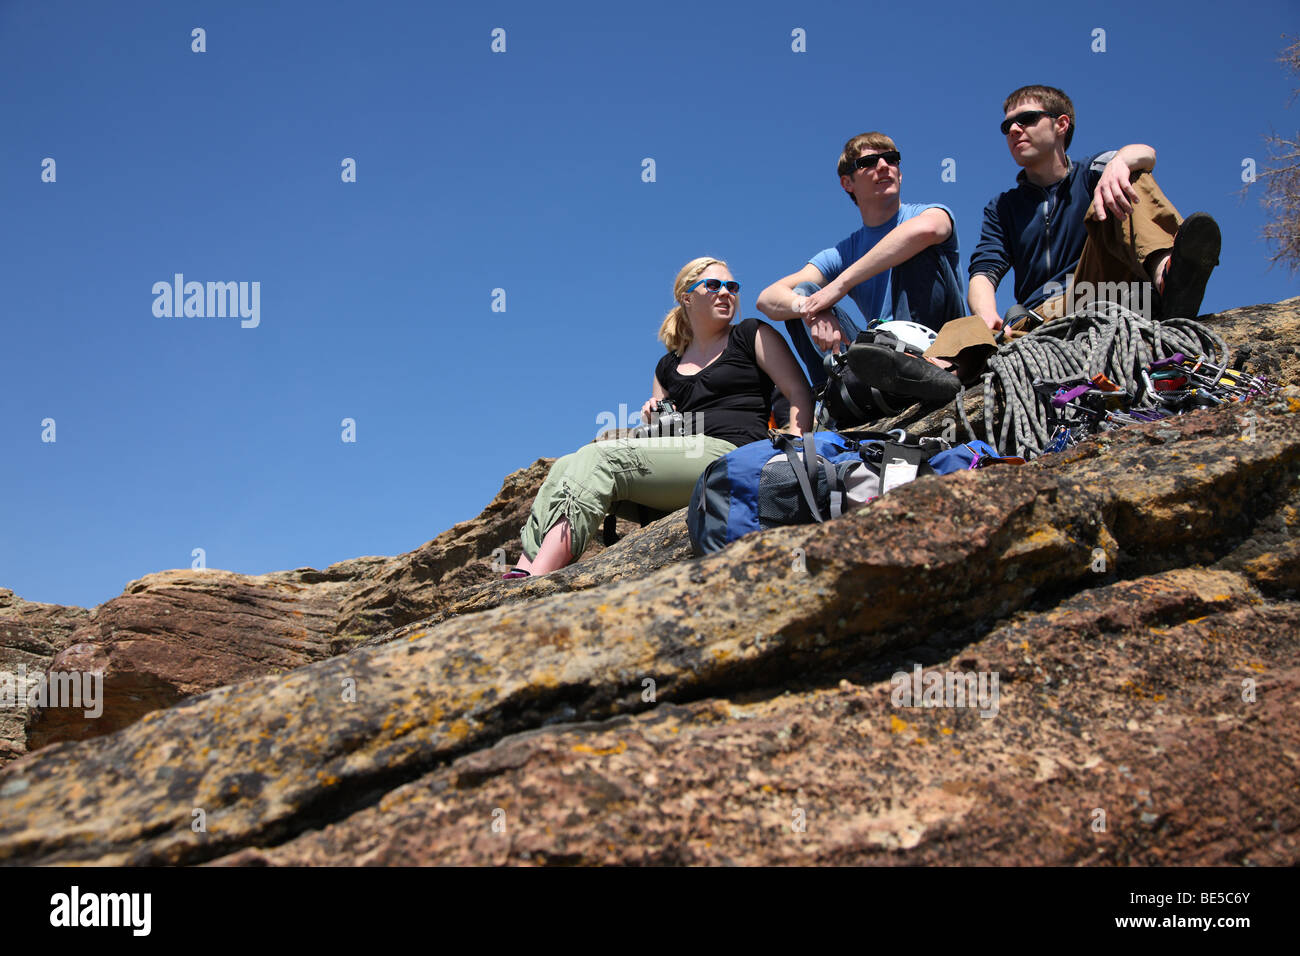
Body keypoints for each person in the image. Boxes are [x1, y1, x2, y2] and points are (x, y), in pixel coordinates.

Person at [505, 257, 814, 578]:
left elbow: (798, 392)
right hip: (684, 462)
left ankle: (536, 581)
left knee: (600, 458)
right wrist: (653, 415)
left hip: (734, 455)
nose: (726, 293)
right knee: (566, 466)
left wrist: (794, 456)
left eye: (732, 287)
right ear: (687, 297)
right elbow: (663, 438)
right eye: (714, 285)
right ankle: (522, 572)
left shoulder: (751, 333)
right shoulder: (667, 367)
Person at [928, 84, 1222, 377]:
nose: (1014, 130)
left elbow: (1145, 153)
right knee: (962, 327)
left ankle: (1169, 279)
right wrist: (985, 315)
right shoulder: (1003, 206)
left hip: (1100, 292)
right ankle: (937, 374)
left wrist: (1119, 163)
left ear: (1061, 124)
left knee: (1125, 178)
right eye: (1007, 126)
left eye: (1027, 119)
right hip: (1040, 318)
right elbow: (984, 270)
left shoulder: (1093, 172)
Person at [756, 132, 966, 388]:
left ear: (900, 172)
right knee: (801, 294)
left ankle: (928, 366)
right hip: (882, 352)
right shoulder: (845, 251)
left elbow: (929, 230)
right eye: (868, 163)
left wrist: (838, 286)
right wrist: (811, 308)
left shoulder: (928, 214)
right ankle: (840, 393)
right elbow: (767, 298)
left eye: (891, 159)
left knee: (915, 246)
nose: (883, 166)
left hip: (939, 343)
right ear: (847, 183)